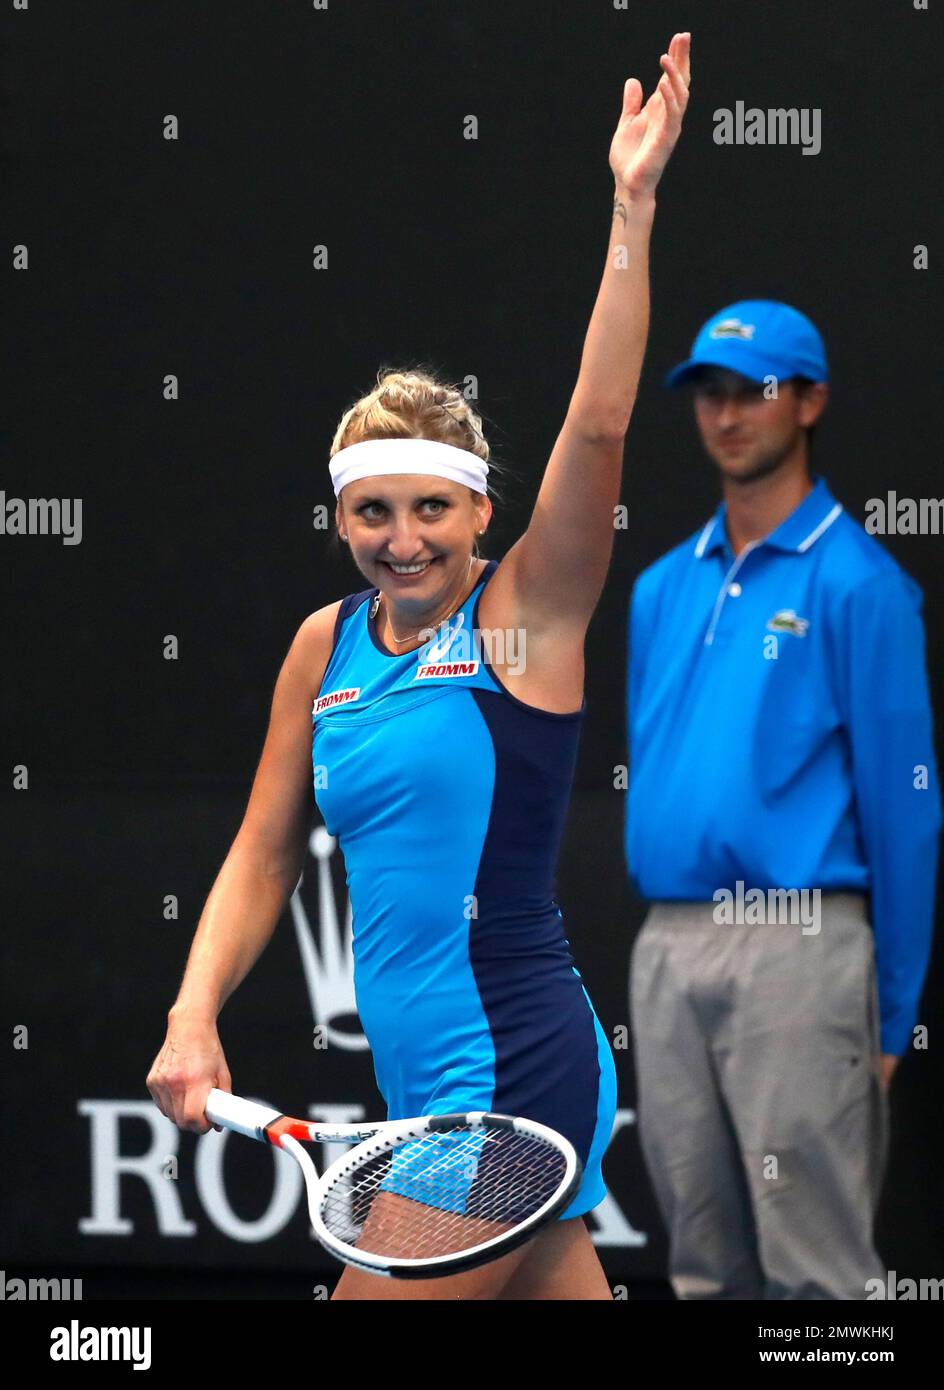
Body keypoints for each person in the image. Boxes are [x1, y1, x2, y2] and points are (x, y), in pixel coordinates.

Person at [147, 34, 692, 1300]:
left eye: (430, 512)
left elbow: (599, 419)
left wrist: (631, 206)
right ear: (340, 519)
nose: (401, 541)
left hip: (505, 1078)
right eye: (370, 512)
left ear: (481, 514)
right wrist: (191, 1012)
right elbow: (264, 851)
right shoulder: (319, 649)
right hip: (432, 1080)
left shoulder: (525, 623)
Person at [625, 299, 942, 1299]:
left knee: (817, 1275)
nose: (726, 414)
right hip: (668, 945)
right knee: (700, 1270)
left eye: (754, 391)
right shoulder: (659, 587)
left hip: (800, 948)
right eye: (708, 394)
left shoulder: (860, 584)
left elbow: (906, 809)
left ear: (807, 401)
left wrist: (890, 1015)